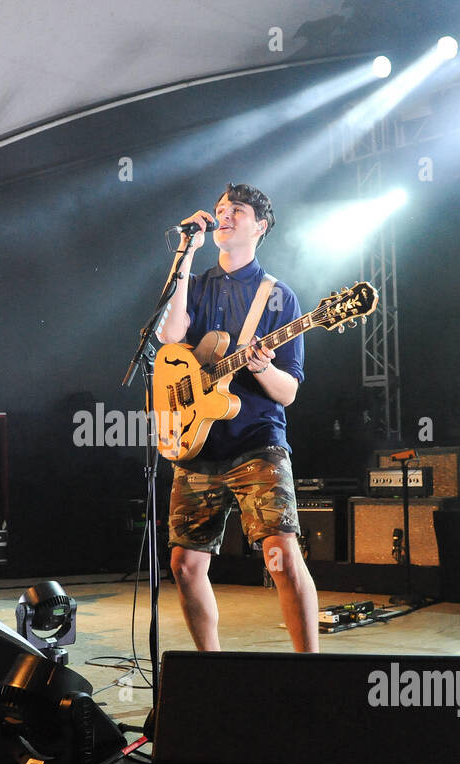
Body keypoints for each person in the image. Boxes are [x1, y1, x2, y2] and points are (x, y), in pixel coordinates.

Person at [156, 183, 318, 653]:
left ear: (259, 226)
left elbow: (288, 392)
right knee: (185, 565)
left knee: (281, 557)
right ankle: (211, 671)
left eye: (237, 211)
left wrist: (263, 367)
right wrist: (184, 255)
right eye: (221, 208)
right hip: (198, 443)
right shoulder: (199, 282)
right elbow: (170, 336)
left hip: (256, 441)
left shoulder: (279, 298)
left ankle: (313, 672)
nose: (223, 215)